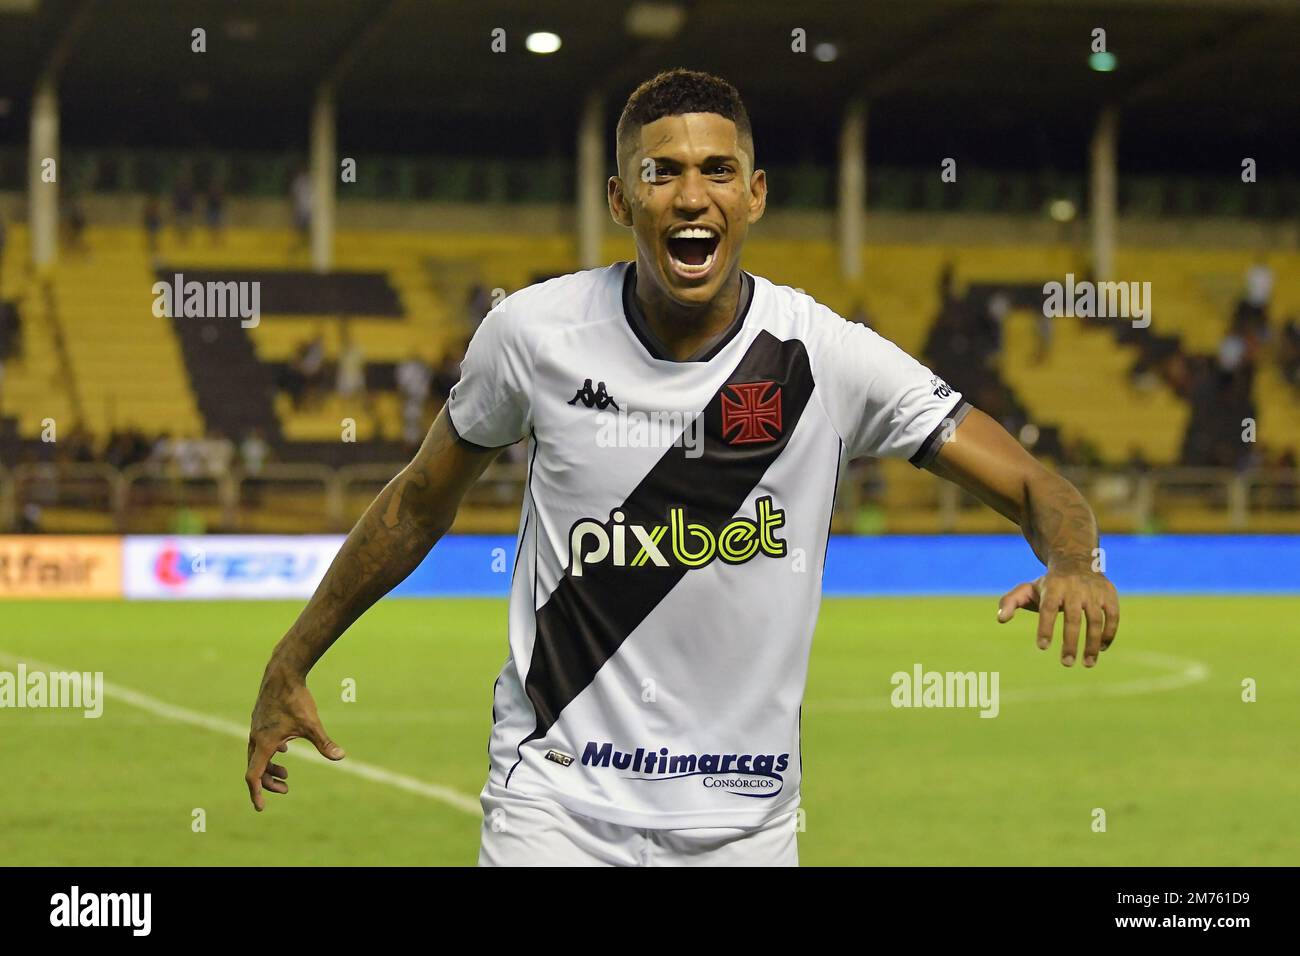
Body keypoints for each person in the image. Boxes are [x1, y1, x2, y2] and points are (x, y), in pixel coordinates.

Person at [245, 69, 1120, 867]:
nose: (691, 195)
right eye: (663, 173)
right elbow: (416, 505)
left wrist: (1074, 562)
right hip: (553, 811)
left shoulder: (826, 358)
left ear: (756, 193)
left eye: (718, 170)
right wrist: (294, 656)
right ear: (623, 200)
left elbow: (1036, 486)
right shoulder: (532, 337)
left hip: (745, 828)